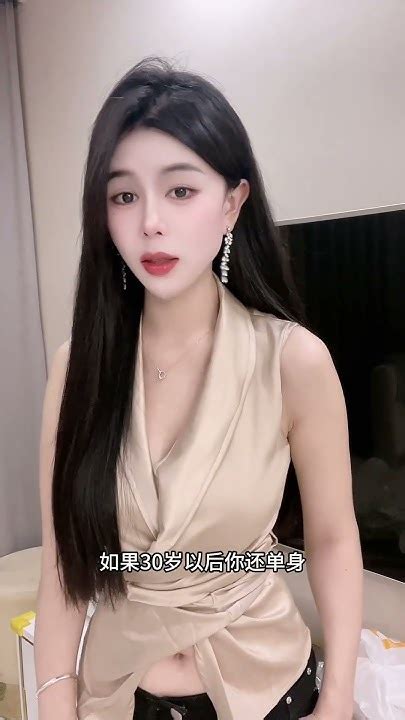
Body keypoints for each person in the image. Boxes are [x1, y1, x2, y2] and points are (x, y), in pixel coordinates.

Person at [34, 56, 362, 720]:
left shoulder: (291, 361)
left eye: (180, 190)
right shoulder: (78, 369)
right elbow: (64, 563)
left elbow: (331, 538)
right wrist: (55, 700)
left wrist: (336, 700)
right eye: (124, 196)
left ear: (232, 203)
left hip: (266, 692)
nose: (150, 222)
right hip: (118, 697)